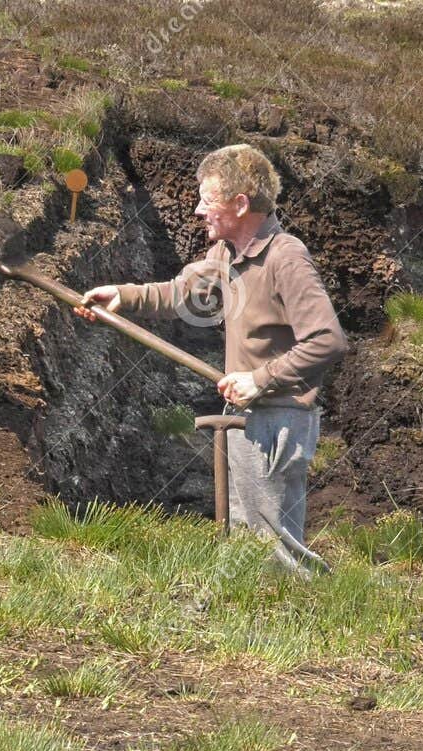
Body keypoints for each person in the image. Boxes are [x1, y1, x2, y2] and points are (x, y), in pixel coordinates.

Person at [74, 144, 348, 570]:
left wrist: (260, 378)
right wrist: (122, 296)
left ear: (240, 204)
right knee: (249, 544)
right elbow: (183, 293)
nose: (199, 211)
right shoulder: (226, 253)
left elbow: (327, 340)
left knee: (277, 552)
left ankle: (321, 611)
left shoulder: (284, 257)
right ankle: (253, 624)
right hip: (247, 415)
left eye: (208, 200)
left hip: (279, 418)